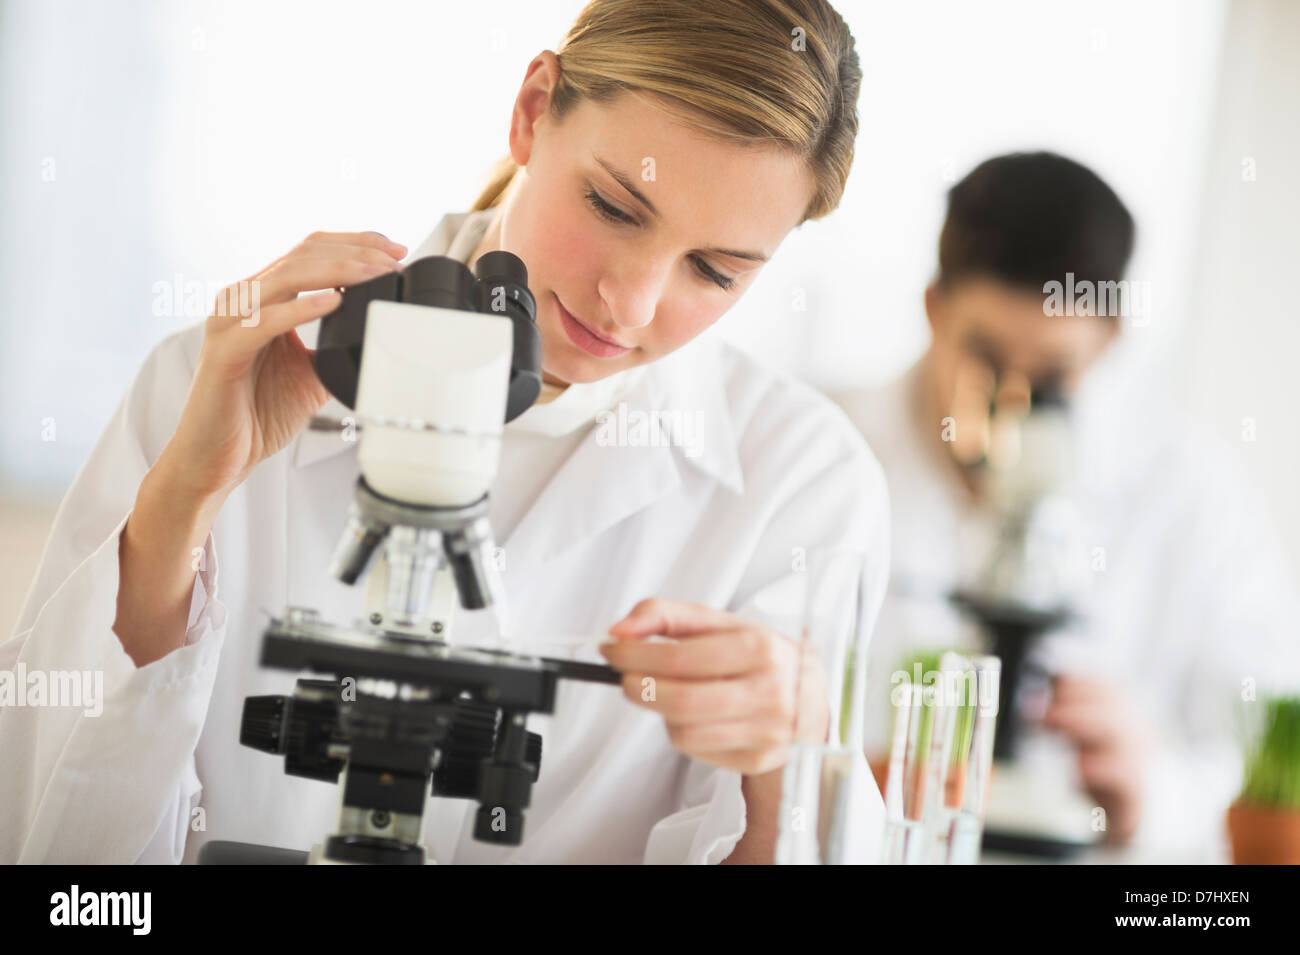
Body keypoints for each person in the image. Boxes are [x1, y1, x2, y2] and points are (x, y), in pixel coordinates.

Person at [0, 0, 888, 864]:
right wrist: (184, 501)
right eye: (615, 208)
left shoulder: (802, 484)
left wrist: (792, 762)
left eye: (714, 270)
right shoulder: (230, 366)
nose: (634, 301)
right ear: (534, 111)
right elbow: (53, 843)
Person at [832, 152, 1300, 852]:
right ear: (934, 307)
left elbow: (1267, 748)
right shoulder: (828, 449)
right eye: (985, 358)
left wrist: (1153, 789)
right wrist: (852, 787)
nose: (1012, 407)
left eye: (1051, 374)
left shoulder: (1193, 497)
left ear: (1110, 339)